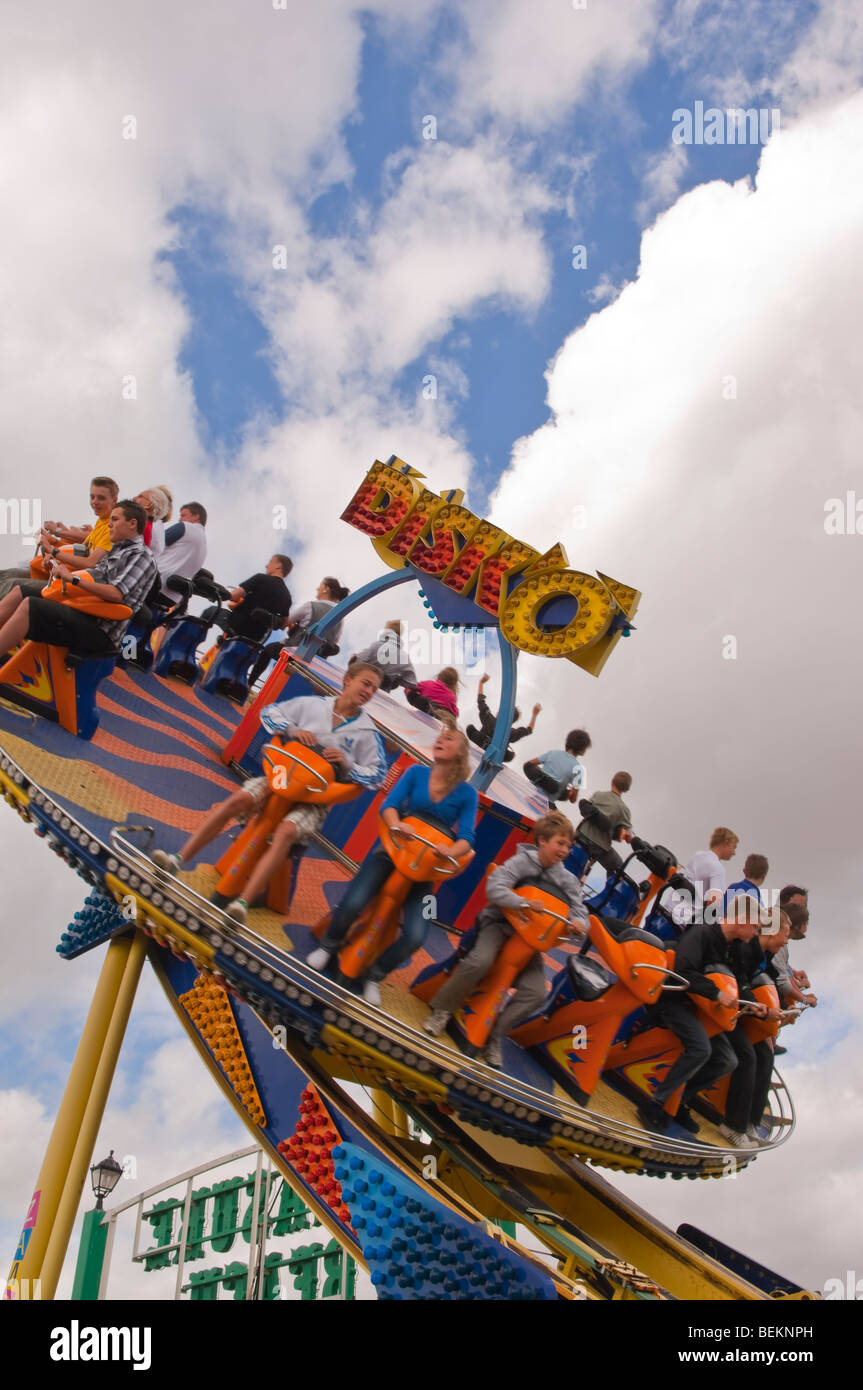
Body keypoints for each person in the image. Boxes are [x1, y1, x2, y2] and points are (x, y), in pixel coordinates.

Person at [152, 663, 387, 919]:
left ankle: (241, 903)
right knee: (238, 800)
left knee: (286, 831)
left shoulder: (367, 734)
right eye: (365, 683)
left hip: (316, 794)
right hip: (284, 775)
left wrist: (347, 762)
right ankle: (178, 859)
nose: (368, 691)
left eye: (374, 689)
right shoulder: (313, 705)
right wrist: (293, 730)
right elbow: (270, 713)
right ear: (348, 679)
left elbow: (377, 775)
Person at [306, 727, 478, 1005]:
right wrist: (397, 824)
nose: (440, 740)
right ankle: (328, 945)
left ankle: (375, 974)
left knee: (416, 934)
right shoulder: (416, 773)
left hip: (425, 868)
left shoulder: (467, 793)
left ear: (461, 753)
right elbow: (390, 805)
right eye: (440, 736)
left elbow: (467, 838)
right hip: (395, 849)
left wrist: (450, 850)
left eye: (449, 738)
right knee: (354, 901)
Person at [423, 812, 588, 1068]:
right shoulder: (522, 862)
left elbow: (580, 911)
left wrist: (579, 924)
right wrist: (523, 902)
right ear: (542, 840)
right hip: (500, 925)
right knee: (479, 961)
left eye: (569, 846)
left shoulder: (566, 879)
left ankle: (495, 1034)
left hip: (530, 940)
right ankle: (442, 1009)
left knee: (535, 993)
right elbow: (495, 887)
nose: (565, 850)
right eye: (560, 843)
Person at [635, 891, 764, 1144]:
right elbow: (684, 972)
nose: (757, 933)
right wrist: (715, 992)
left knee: (728, 1060)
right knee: (700, 1049)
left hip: (699, 1010)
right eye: (757, 926)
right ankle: (654, 1105)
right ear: (743, 920)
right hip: (673, 1001)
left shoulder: (734, 947)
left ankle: (680, 1100)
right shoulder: (703, 933)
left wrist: (755, 1004)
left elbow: (739, 979)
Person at [0, 500, 157, 662]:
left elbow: (116, 594)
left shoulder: (141, 555)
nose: (109, 524)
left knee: (30, 606)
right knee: (21, 591)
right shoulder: (118, 549)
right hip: (83, 609)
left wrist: (72, 578)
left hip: (100, 629)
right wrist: (56, 571)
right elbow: (91, 577)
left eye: (115, 520)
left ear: (132, 524)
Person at [725, 904, 790, 1143]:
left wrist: (777, 1010)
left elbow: (765, 982)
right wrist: (761, 1011)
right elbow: (739, 981)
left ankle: (750, 1121)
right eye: (785, 935)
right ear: (773, 932)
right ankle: (732, 1125)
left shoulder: (764, 956)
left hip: (744, 1012)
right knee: (748, 1057)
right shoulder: (746, 949)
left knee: (765, 1054)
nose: (785, 942)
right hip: (725, 1010)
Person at [0, 476, 118, 600]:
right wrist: (53, 543)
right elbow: (79, 550)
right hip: (65, 573)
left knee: (13, 583)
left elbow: (90, 562)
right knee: (6, 575)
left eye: (101, 498)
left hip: (76, 583)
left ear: (114, 500)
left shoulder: (111, 528)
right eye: (92, 497)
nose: (95, 501)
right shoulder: (101, 522)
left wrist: (54, 551)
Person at [247, 577, 350, 685]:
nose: (317, 589)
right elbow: (333, 644)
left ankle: (249, 684)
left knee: (268, 650)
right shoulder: (340, 619)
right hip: (314, 666)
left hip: (293, 656)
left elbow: (285, 622)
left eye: (320, 585)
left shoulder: (311, 606)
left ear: (326, 589)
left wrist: (293, 628)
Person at [202, 554, 293, 642]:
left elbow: (233, 596)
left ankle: (190, 641)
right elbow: (283, 625)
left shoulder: (260, 578)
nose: (266, 565)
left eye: (270, 562)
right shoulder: (287, 597)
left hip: (237, 625)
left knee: (210, 611)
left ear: (278, 566)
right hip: (256, 638)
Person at [466, 672, 540, 762]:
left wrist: (481, 682)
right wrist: (534, 714)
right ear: (512, 721)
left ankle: (487, 743)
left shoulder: (489, 718)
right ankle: (496, 749)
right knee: (512, 755)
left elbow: (480, 701)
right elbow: (529, 730)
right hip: (497, 752)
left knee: (469, 727)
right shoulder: (512, 732)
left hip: (481, 741)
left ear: (500, 713)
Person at [575, 771, 634, 874]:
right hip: (599, 848)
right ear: (626, 789)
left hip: (581, 835)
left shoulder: (598, 795)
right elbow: (629, 837)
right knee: (618, 866)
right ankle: (609, 889)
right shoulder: (624, 810)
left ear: (612, 782)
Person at [155, 502, 208, 602]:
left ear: (196, 517)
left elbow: (153, 542)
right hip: (173, 597)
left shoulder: (185, 527)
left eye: (183, 515)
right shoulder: (204, 547)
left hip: (155, 584)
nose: (180, 519)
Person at [685, 827, 739, 923]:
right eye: (734, 847)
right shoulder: (717, 868)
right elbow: (714, 902)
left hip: (669, 909)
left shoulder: (697, 856)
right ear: (726, 843)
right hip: (685, 920)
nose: (734, 853)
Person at [523, 729, 591, 804]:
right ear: (582, 749)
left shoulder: (553, 753)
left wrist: (543, 773)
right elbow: (573, 800)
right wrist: (569, 792)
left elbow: (528, 764)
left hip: (530, 794)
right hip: (547, 803)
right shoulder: (579, 769)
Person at [349, 620, 417, 692]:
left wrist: (354, 658)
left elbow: (357, 661)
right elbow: (411, 683)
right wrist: (396, 680)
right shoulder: (404, 657)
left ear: (386, 631)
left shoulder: (376, 645)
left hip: (362, 686)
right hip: (382, 693)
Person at [134, 487, 173, 551]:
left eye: (140, 496)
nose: (134, 498)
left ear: (149, 504)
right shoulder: (151, 525)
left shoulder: (141, 526)